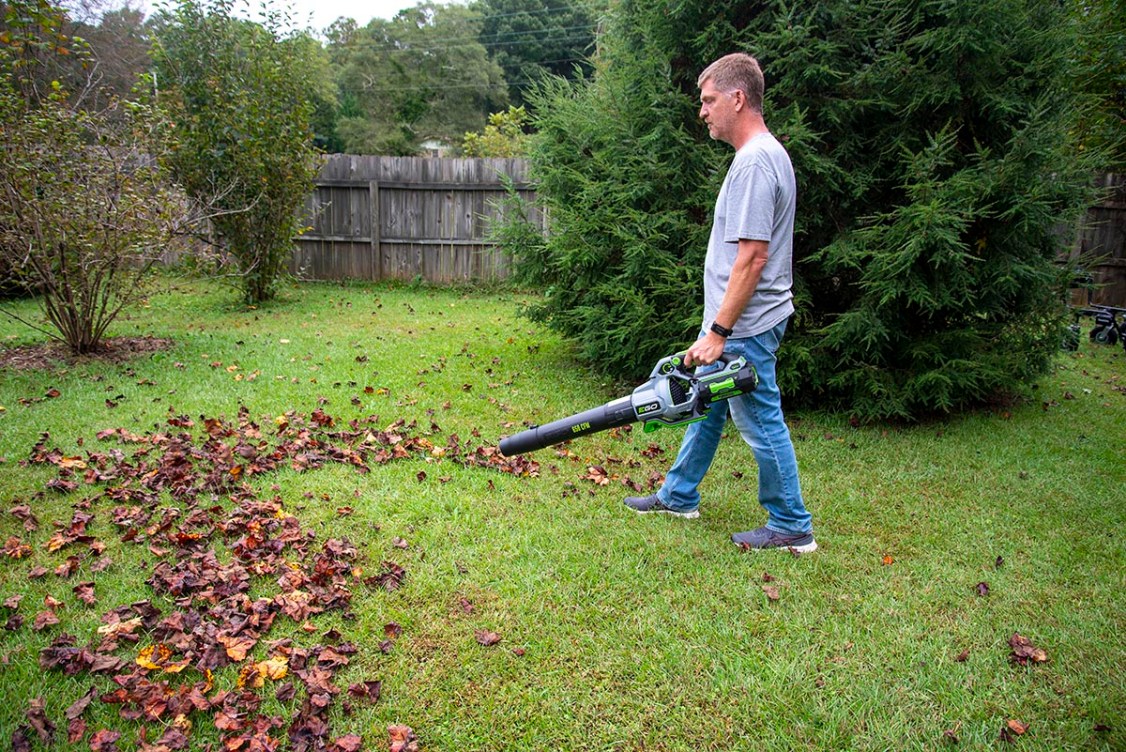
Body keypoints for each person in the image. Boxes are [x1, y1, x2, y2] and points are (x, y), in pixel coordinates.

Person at [623, 52, 816, 553]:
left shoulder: (754, 162)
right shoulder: (764, 155)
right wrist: (715, 327)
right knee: (706, 405)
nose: (702, 111)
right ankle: (678, 494)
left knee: (758, 418)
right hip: (738, 321)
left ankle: (792, 522)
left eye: (708, 101)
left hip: (747, 325)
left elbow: (752, 257)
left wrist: (719, 333)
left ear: (738, 97)